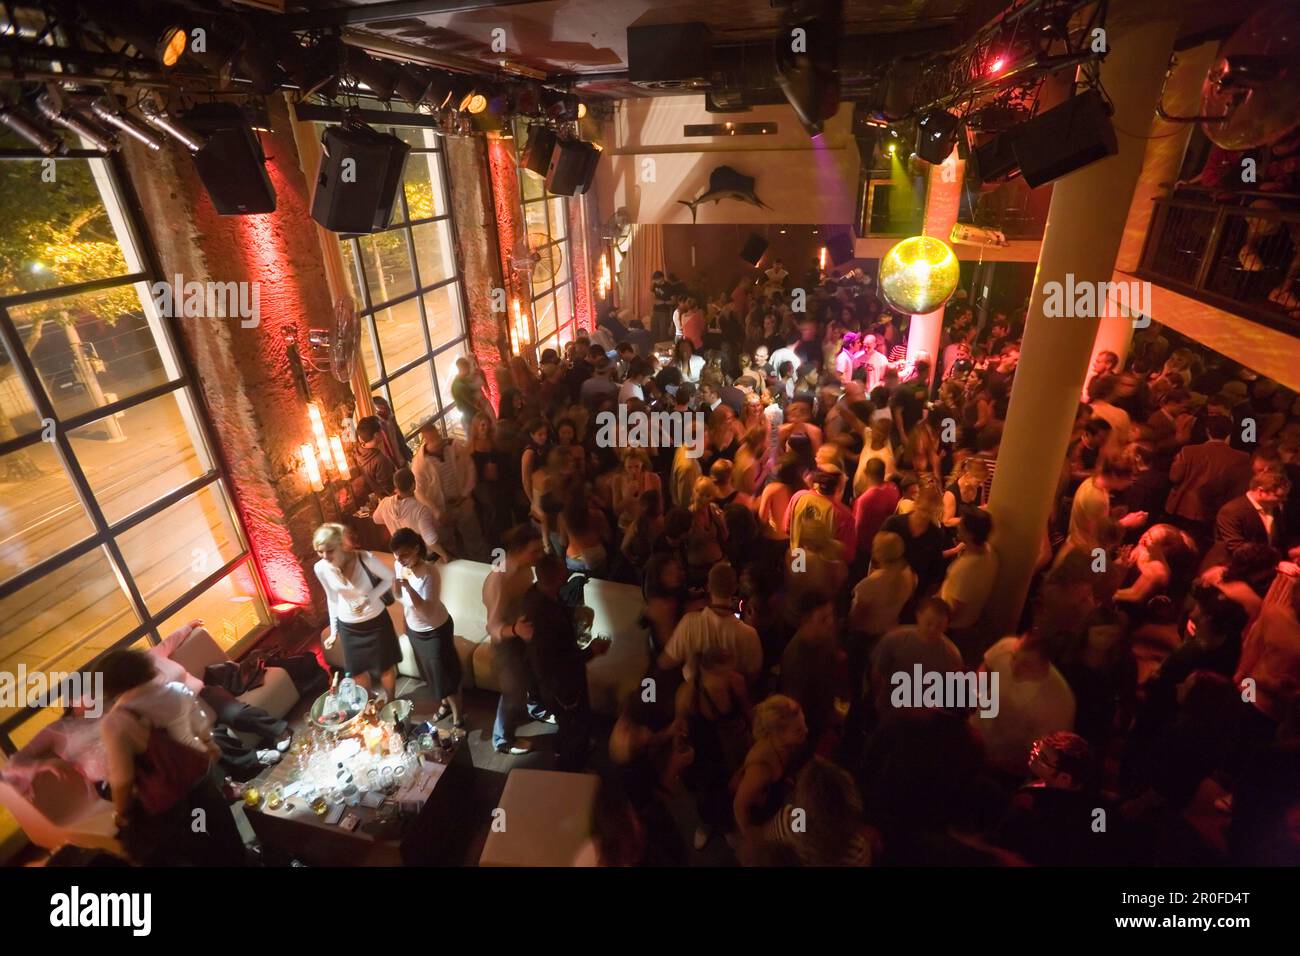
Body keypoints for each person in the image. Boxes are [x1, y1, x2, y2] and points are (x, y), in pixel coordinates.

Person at [97, 650, 245, 866]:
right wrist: (211, 747)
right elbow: (202, 727)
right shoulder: (177, 691)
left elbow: (122, 779)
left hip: (170, 794)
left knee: (197, 843)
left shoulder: (116, 722)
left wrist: (121, 812)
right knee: (223, 828)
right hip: (200, 772)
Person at [522, 554, 609, 770]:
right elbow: (559, 662)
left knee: (566, 722)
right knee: (576, 724)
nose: (567, 572)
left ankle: (562, 747)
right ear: (556, 577)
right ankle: (571, 767)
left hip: (549, 681)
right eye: (563, 570)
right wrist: (593, 651)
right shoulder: (547, 620)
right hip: (562, 685)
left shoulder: (534, 595)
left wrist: (574, 612)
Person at [482, 524, 552, 755]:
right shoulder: (500, 578)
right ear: (519, 550)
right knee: (513, 694)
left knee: (532, 676)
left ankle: (536, 709)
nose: (540, 556)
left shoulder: (524, 567)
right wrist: (515, 629)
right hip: (507, 643)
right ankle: (502, 739)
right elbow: (492, 627)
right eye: (535, 551)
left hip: (524, 634)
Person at [313, 523, 400, 700]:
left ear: (340, 545)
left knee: (385, 667)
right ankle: (369, 702)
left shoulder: (364, 558)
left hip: (376, 621)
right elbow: (332, 598)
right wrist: (334, 630)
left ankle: (391, 701)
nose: (325, 556)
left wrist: (370, 598)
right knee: (356, 671)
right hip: (349, 627)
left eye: (329, 550)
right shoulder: (320, 568)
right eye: (320, 552)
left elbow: (390, 578)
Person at [972, 629, 1076, 777]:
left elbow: (1044, 755)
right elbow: (987, 666)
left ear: (1045, 664)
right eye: (1014, 658)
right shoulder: (1006, 648)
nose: (1014, 667)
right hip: (976, 736)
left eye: (1026, 665)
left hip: (1004, 766)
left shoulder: (1059, 702)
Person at [390, 528, 462, 728]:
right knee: (430, 674)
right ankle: (444, 705)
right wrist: (397, 587)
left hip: (435, 629)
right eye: (397, 556)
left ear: (416, 548)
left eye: (404, 554)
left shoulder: (431, 573)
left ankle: (458, 716)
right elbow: (398, 598)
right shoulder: (399, 566)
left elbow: (426, 611)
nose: (401, 560)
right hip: (415, 631)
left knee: (445, 675)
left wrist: (408, 587)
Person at [658, 562, 763, 688]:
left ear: (709, 587)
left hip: (693, 697)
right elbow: (754, 675)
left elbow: (665, 662)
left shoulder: (689, 623)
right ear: (735, 588)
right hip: (729, 700)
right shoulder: (749, 634)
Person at [733, 695, 808, 853]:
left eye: (804, 724)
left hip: (778, 798)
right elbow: (739, 807)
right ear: (778, 734)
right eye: (798, 730)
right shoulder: (761, 768)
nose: (806, 731)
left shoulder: (786, 744)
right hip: (764, 816)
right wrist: (753, 843)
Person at [1165, 415, 1253, 543]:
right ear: (1230, 432)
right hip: (1217, 511)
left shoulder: (1188, 451)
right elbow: (1239, 489)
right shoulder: (1242, 457)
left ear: (1207, 431)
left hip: (1183, 507)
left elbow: (1174, 477)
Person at [411, 421, 483, 560]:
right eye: (432, 439)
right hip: (442, 510)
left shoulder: (454, 446)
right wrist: (437, 511)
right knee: (450, 546)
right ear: (425, 440)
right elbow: (418, 491)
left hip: (462, 502)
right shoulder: (419, 464)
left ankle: (482, 564)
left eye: (436, 437)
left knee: (474, 539)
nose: (437, 444)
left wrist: (464, 494)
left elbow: (470, 468)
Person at [939, 509, 998, 653]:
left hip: (955, 627)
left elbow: (955, 608)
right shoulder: (989, 552)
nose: (958, 525)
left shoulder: (966, 569)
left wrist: (939, 623)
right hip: (972, 619)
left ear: (970, 534)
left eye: (962, 524)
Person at [372, 467, 443, 559]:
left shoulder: (384, 503)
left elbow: (376, 519)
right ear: (413, 485)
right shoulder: (420, 509)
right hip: (424, 558)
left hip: (403, 559)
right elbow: (431, 540)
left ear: (395, 486)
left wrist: (391, 519)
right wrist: (445, 556)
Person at [355, 415, 399, 497]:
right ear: (376, 435)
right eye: (380, 430)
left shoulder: (359, 451)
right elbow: (389, 488)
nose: (382, 432)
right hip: (392, 500)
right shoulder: (380, 460)